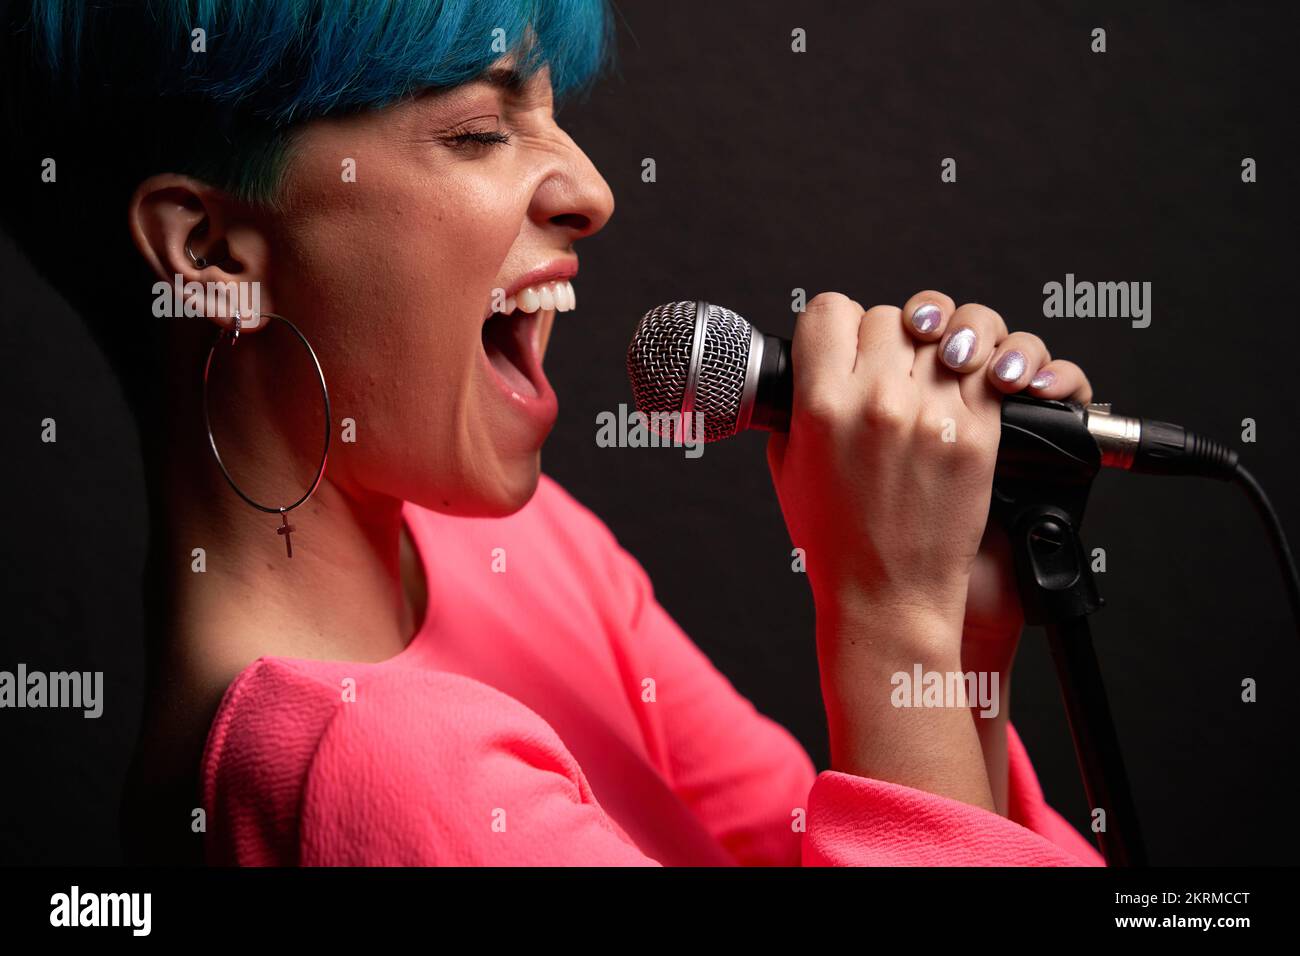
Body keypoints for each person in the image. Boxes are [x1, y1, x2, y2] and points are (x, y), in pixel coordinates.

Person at [0, 0, 1102, 865]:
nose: (591, 189)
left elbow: (818, 842)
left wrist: (952, 663)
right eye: (480, 130)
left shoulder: (526, 552)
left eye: (550, 110)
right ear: (207, 253)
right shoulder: (372, 769)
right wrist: (888, 616)